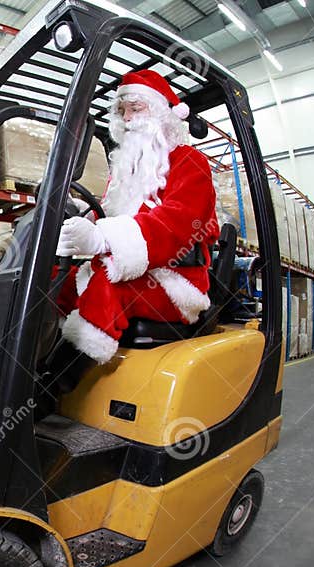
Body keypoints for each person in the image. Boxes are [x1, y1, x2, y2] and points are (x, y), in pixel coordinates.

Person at [55, 69, 219, 365]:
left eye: (135, 108)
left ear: (161, 114)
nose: (127, 118)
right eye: (121, 110)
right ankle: (29, 362)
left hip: (175, 279)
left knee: (106, 287)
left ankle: (54, 385)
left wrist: (102, 237)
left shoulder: (190, 163)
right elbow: (109, 212)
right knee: (53, 282)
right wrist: (83, 217)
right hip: (128, 268)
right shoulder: (125, 172)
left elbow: (176, 225)